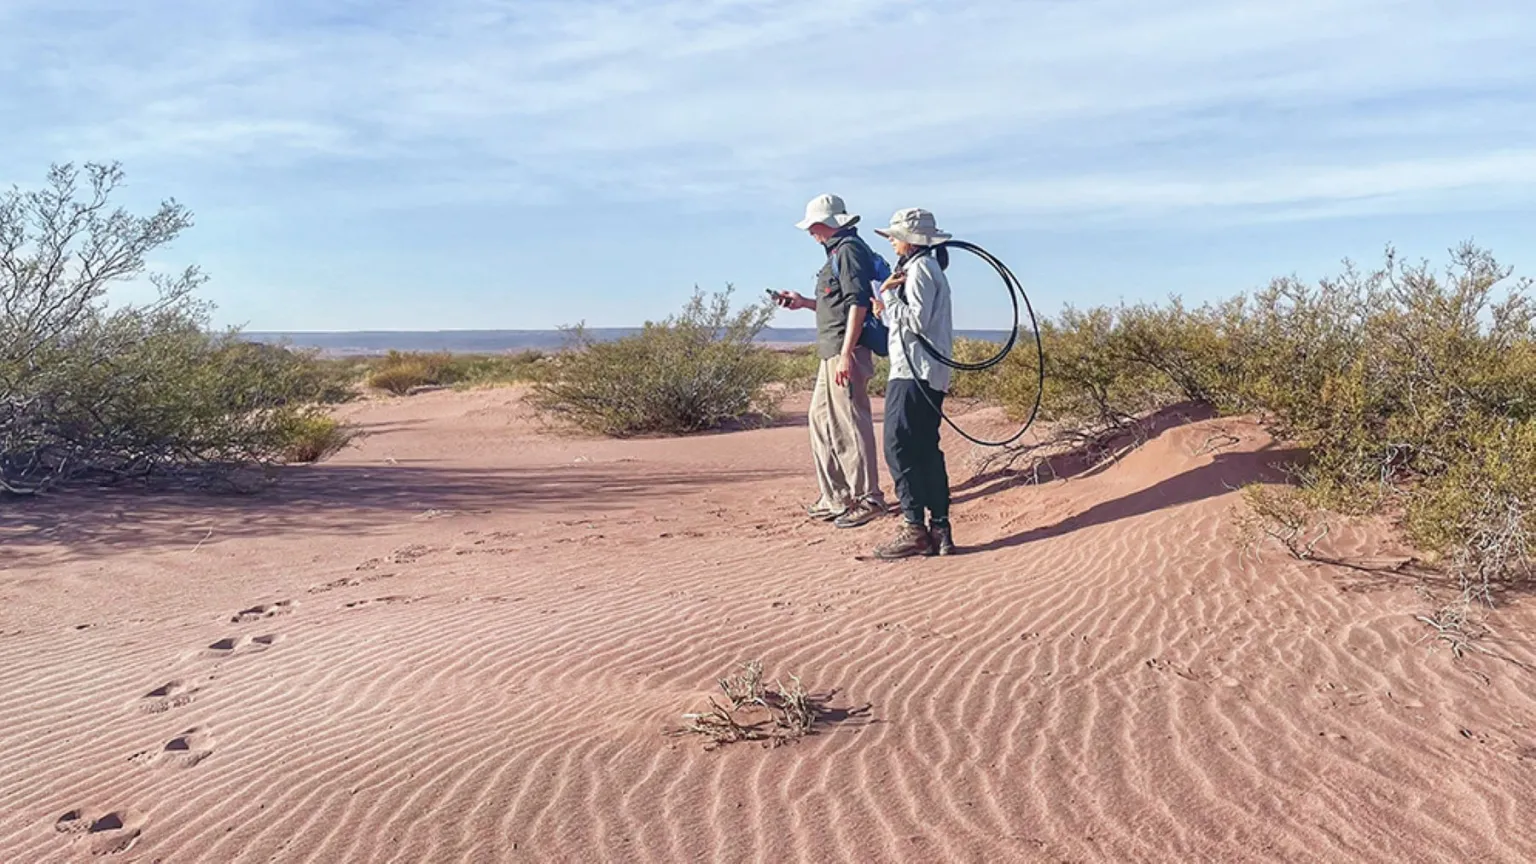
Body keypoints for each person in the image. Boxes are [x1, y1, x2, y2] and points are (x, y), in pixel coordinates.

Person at [770, 193, 887, 528]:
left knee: (850, 422)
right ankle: (836, 496)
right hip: (832, 351)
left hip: (844, 351)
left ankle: (868, 497)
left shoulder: (849, 250)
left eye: (814, 226)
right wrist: (804, 302)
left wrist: (847, 353)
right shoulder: (836, 252)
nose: (811, 233)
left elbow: (858, 303)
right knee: (821, 421)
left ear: (829, 223)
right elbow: (837, 303)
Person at [870, 207, 956, 558]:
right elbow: (912, 322)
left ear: (911, 239)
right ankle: (939, 529)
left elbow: (917, 322)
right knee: (924, 449)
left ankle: (914, 528)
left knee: (898, 446)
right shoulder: (925, 267)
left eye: (895, 235)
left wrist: (889, 295)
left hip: (913, 372)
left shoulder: (919, 269)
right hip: (927, 372)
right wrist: (887, 307)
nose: (891, 240)